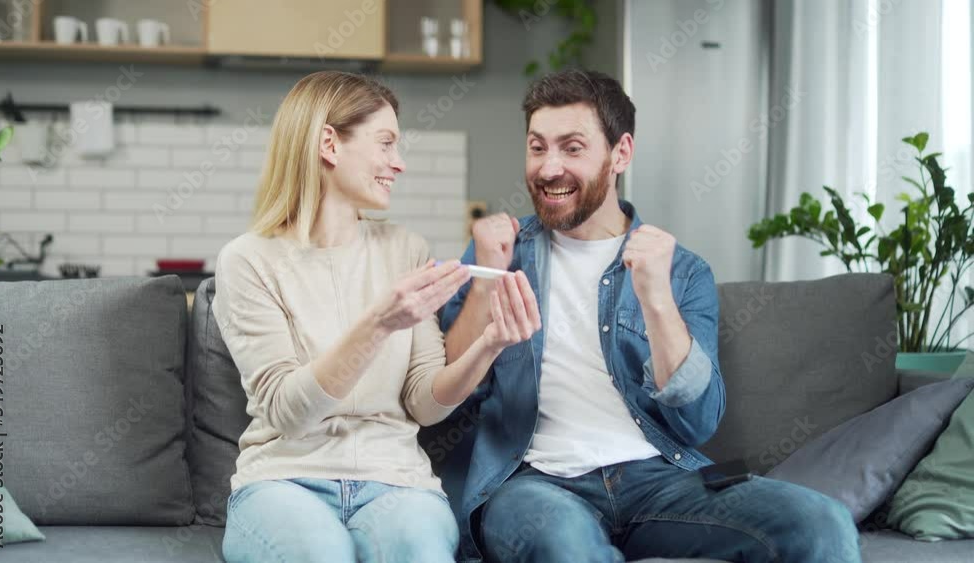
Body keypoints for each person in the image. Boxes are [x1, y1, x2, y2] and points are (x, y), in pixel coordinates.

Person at [435, 68, 862, 563]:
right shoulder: (502, 252)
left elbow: (699, 420)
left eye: (572, 148)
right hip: (536, 484)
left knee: (821, 524)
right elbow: (447, 394)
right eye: (537, 147)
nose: (549, 167)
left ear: (621, 153)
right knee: (566, 546)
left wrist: (656, 298)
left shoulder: (681, 271)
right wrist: (488, 274)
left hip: (661, 479)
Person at [211, 71, 540, 563]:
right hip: (283, 482)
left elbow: (426, 404)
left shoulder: (405, 249)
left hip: (396, 483)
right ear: (329, 143)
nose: (399, 163)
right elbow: (287, 411)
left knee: (422, 551)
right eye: (385, 143)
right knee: (322, 553)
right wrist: (379, 323)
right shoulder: (249, 260)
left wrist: (489, 343)